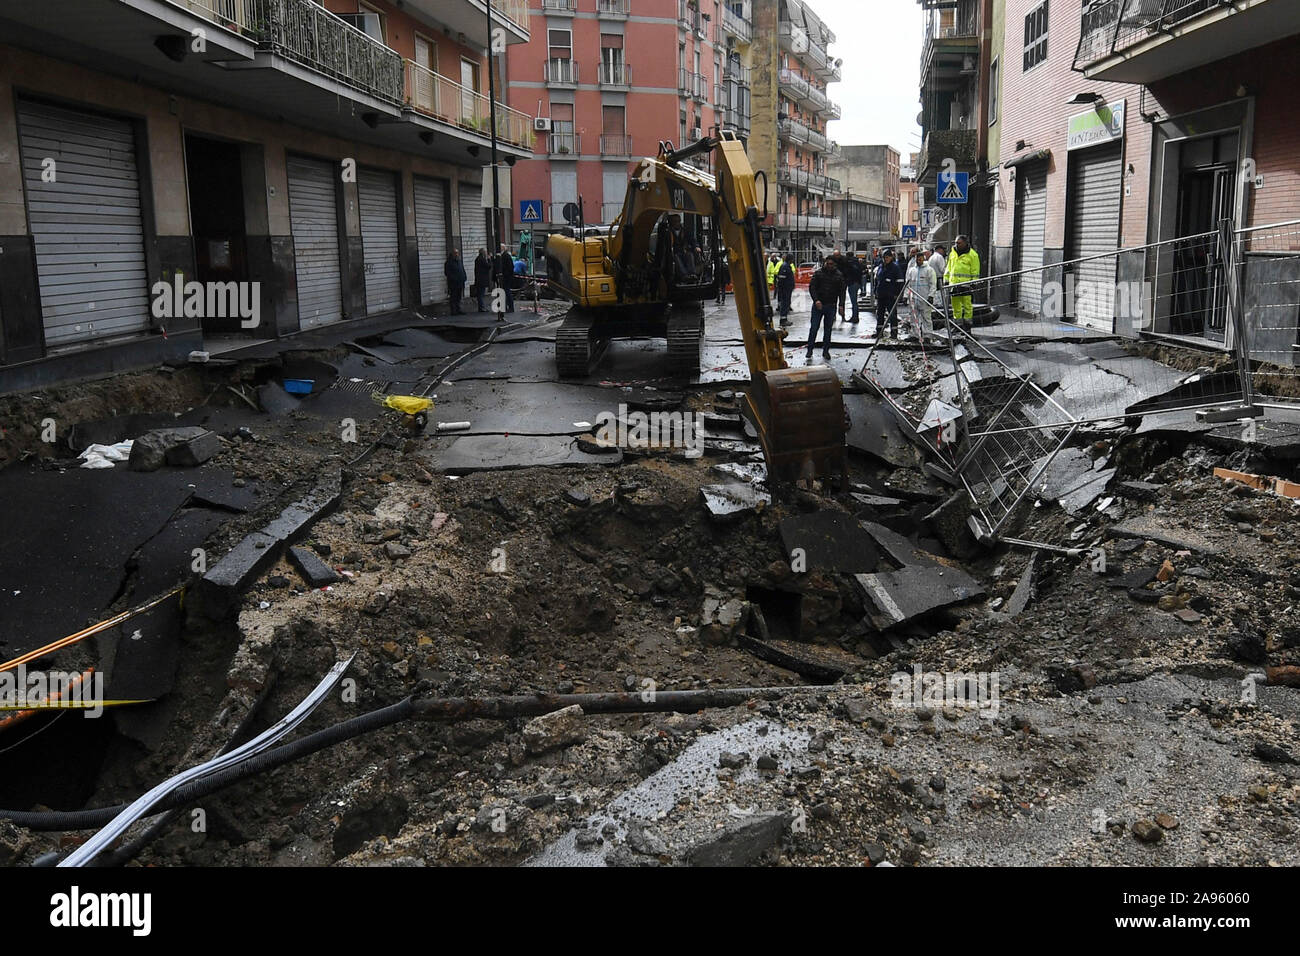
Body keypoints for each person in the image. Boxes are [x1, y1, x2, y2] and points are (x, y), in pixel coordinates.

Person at [807, 256, 844, 363]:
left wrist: (841, 305)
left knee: (828, 330)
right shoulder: (819, 274)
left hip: (831, 305)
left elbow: (842, 291)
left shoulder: (838, 275)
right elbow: (812, 287)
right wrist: (816, 300)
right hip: (819, 304)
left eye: (831, 264)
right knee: (814, 328)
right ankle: (810, 349)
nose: (829, 266)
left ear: (834, 265)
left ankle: (826, 350)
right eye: (828, 264)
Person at [945, 235, 980, 333]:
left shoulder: (972, 255)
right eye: (956, 242)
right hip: (954, 285)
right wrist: (946, 280)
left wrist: (974, 283)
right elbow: (948, 268)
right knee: (956, 307)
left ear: (965, 243)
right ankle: (958, 326)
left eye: (959, 243)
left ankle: (967, 327)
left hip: (966, 285)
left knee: (967, 306)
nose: (956, 244)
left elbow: (975, 270)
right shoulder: (952, 254)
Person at [906, 247, 939, 335]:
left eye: (920, 259)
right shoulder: (912, 271)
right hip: (914, 298)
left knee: (926, 318)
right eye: (917, 259)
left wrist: (931, 296)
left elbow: (933, 284)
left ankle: (927, 335)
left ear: (923, 259)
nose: (918, 261)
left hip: (925, 298)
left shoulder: (929, 270)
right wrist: (906, 297)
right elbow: (908, 284)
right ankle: (914, 334)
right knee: (913, 317)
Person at [875, 249, 906, 338]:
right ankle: (879, 332)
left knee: (892, 314)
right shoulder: (881, 267)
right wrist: (876, 292)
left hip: (891, 296)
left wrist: (897, 294)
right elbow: (878, 280)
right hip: (881, 295)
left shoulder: (895, 268)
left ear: (891, 257)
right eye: (884, 257)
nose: (886, 259)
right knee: (880, 314)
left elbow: (900, 282)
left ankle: (894, 333)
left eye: (887, 257)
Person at [493, 243, 515, 316]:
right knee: (504, 292)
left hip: (506, 277)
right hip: (505, 277)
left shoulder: (505, 256)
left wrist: (505, 275)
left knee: (506, 292)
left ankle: (510, 307)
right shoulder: (503, 256)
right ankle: (504, 307)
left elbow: (509, 267)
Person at [444, 248, 466, 315]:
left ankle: (458, 309)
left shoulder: (459, 261)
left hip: (460, 282)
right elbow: (447, 273)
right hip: (453, 283)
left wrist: (464, 276)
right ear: (452, 254)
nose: (457, 254)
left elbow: (462, 269)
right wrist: (454, 279)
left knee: (458, 297)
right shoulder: (449, 262)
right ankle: (453, 310)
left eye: (457, 253)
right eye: (455, 253)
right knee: (453, 297)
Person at [775, 253, 796, 325]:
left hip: (787, 289)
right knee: (785, 304)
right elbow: (782, 278)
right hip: (785, 289)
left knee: (786, 303)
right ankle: (783, 320)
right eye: (792, 259)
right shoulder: (785, 266)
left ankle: (784, 319)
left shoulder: (787, 266)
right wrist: (783, 289)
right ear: (790, 259)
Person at [473, 248, 491, 312]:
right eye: (485, 252)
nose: (486, 253)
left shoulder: (478, 259)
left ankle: (481, 307)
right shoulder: (482, 259)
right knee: (481, 294)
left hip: (479, 279)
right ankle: (481, 307)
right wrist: (489, 259)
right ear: (483, 253)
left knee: (480, 294)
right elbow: (489, 266)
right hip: (481, 279)